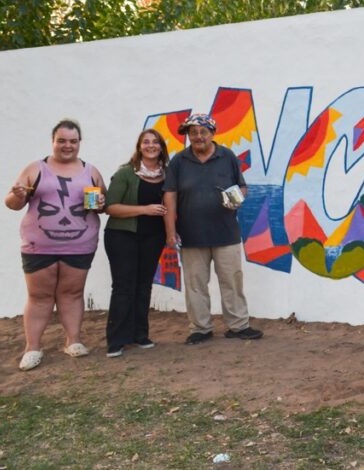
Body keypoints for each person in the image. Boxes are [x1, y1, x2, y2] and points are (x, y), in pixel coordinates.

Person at [4, 119, 105, 371]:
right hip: (39, 246)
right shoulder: (35, 168)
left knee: (72, 294)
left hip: (80, 245)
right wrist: (17, 196)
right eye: (62, 141)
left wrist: (101, 202)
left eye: (73, 141)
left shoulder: (90, 170)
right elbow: (13, 202)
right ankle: (32, 347)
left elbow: (102, 204)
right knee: (39, 296)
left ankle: (73, 341)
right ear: (53, 142)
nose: (67, 146)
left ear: (79, 143)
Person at [162, 113, 263, 344]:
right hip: (191, 234)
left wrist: (237, 198)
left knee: (232, 280)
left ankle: (238, 325)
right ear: (188, 135)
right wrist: (170, 232)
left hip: (226, 232)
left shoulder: (227, 156)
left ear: (212, 133)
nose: (198, 137)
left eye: (202, 132)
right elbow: (170, 196)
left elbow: (243, 187)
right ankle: (200, 328)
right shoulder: (179, 161)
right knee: (195, 284)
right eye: (192, 132)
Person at [102, 129, 170, 357]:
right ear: (139, 147)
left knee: (143, 286)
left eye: (155, 142)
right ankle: (117, 340)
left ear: (161, 147)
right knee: (123, 287)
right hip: (122, 235)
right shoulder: (125, 174)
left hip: (153, 237)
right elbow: (110, 207)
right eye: (146, 142)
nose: (151, 145)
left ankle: (140, 335)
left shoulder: (168, 175)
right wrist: (145, 210)